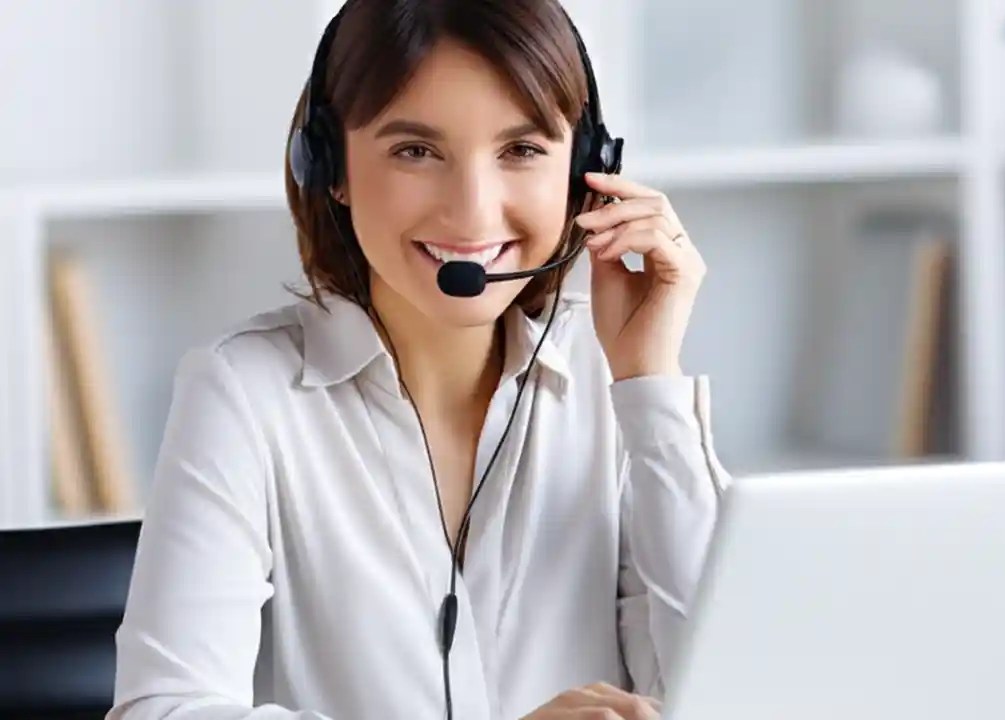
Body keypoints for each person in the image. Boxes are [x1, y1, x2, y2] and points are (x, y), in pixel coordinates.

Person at [106, 1, 729, 718]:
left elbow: (727, 687)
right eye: (416, 151)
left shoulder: (612, 384)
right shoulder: (246, 393)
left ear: (587, 171)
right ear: (329, 166)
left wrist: (649, 385)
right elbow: (162, 709)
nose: (473, 210)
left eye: (521, 151)